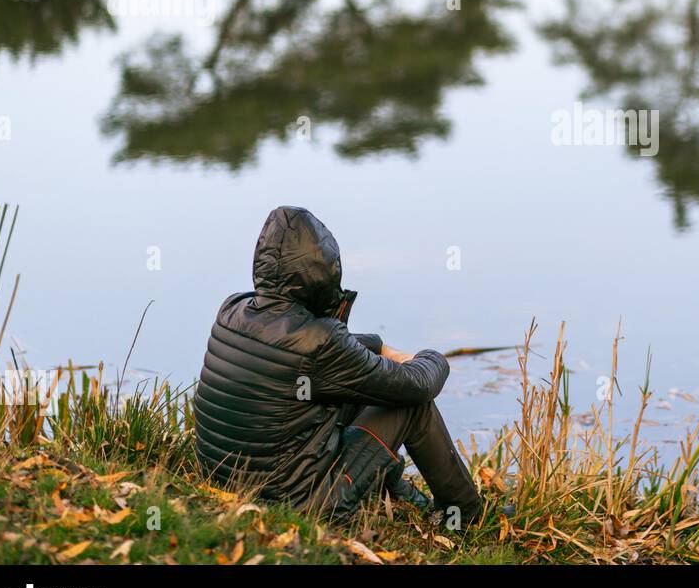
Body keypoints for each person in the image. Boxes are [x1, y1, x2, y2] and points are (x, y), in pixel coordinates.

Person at [193, 205, 483, 527]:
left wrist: (378, 346)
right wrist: (429, 357)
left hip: (221, 478)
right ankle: (466, 516)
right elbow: (418, 385)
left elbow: (299, 350)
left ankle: (401, 495)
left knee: (356, 391)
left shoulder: (232, 309)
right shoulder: (319, 342)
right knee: (412, 405)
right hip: (297, 503)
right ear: (323, 271)